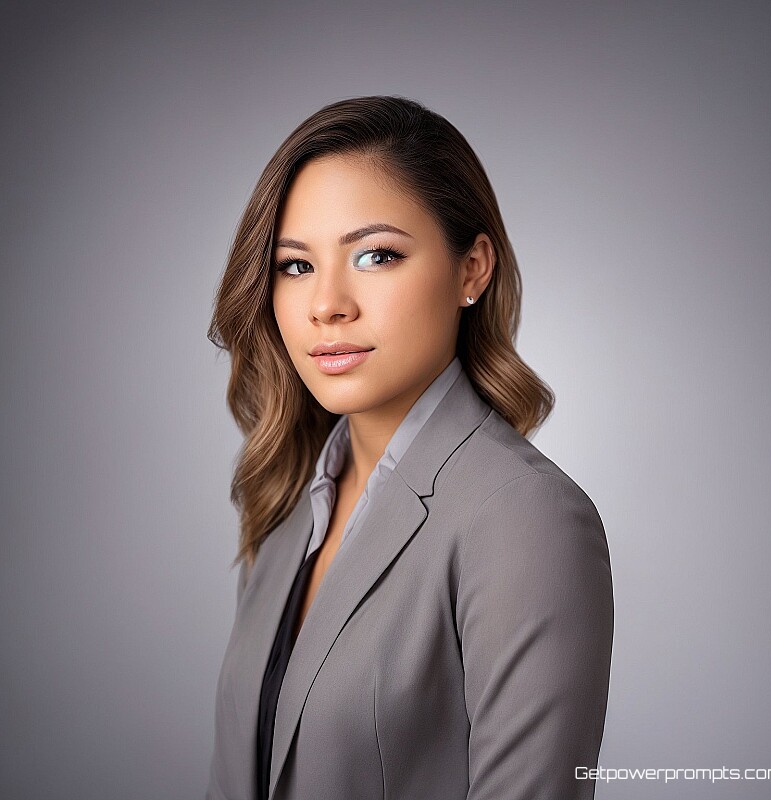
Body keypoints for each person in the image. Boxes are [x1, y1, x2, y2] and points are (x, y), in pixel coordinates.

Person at [205, 95, 613, 800]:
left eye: (376, 255)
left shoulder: (526, 520)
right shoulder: (284, 507)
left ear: (472, 269)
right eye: (295, 266)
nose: (327, 304)